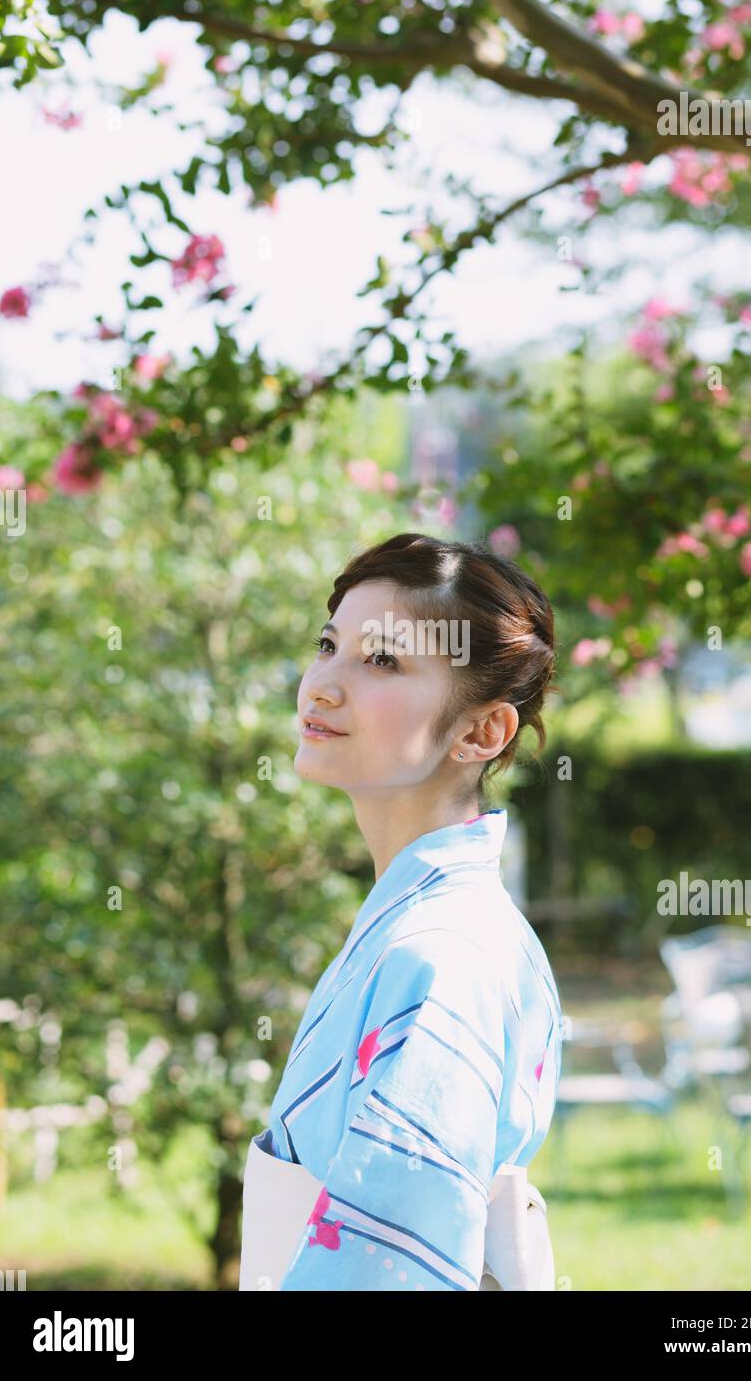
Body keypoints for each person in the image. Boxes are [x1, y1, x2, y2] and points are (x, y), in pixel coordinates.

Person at [240, 531, 564, 1291]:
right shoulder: (430, 928)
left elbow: (390, 1266)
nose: (321, 684)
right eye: (328, 645)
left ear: (482, 731)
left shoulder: (442, 955)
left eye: (382, 660)